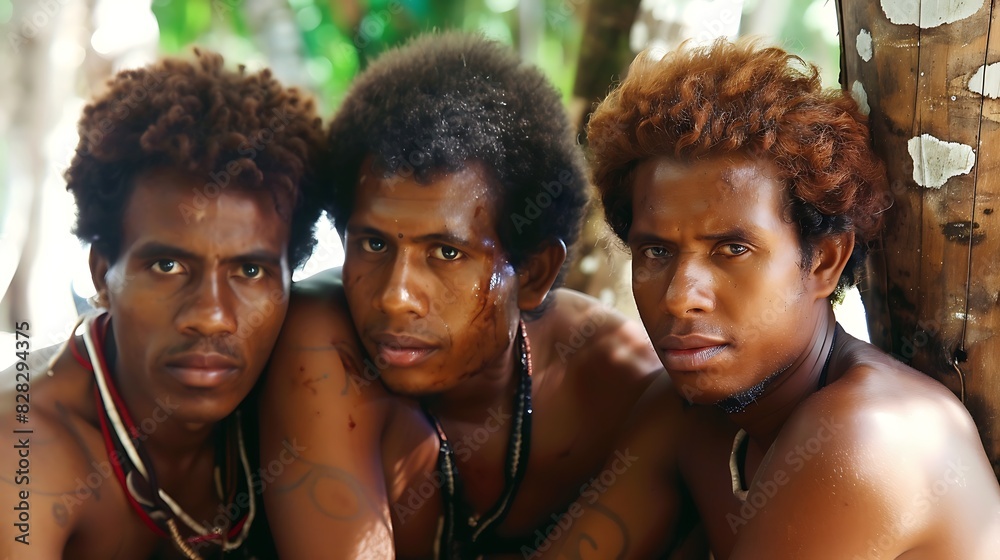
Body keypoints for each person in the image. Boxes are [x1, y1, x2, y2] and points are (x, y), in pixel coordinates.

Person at [528, 38, 1000, 559]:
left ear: (823, 260)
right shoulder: (692, 414)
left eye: (732, 248)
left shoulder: (870, 437)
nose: (682, 297)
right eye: (657, 250)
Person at [259, 32, 687, 559]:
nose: (396, 298)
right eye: (372, 244)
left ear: (533, 273)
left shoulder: (621, 389)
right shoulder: (322, 340)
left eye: (445, 253)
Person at [0, 49, 326, 559]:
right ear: (100, 275)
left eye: (250, 271)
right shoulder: (23, 452)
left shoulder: (304, 398)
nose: (211, 315)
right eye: (168, 267)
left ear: (289, 282)